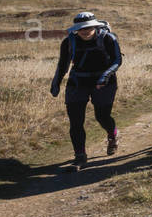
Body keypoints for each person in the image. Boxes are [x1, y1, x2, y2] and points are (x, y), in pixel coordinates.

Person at [50, 12, 121, 167]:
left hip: (104, 83)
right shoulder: (69, 42)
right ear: (76, 29)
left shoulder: (108, 38)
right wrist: (56, 83)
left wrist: (106, 76)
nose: (85, 31)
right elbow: (63, 65)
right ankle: (80, 155)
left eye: (88, 27)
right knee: (75, 121)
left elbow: (117, 60)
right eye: (80, 28)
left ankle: (112, 134)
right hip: (77, 82)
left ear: (95, 26)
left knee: (102, 116)